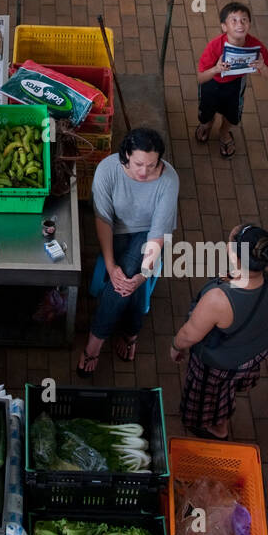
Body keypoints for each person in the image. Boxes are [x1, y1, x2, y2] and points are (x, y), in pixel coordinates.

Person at [172, 224, 268, 439]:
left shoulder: (219, 300)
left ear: (235, 257)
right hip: (258, 348)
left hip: (221, 361)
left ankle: (217, 429)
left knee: (211, 395)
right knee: (228, 386)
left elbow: (189, 334)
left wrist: (175, 347)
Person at [77, 127, 180, 376]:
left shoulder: (169, 180)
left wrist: (143, 275)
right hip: (117, 232)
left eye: (152, 165)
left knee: (131, 277)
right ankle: (131, 333)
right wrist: (111, 267)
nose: (144, 172)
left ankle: (94, 344)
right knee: (125, 279)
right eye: (138, 164)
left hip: (147, 234)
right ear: (125, 156)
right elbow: (103, 220)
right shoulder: (107, 170)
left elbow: (158, 233)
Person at [195, 1, 268, 158]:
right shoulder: (214, 46)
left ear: (249, 24)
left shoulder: (256, 46)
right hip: (211, 85)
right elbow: (201, 77)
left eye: (244, 20)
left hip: (235, 86)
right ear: (224, 27)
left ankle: (224, 133)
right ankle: (206, 125)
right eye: (234, 20)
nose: (240, 24)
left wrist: (262, 66)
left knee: (232, 116)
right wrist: (216, 69)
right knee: (205, 113)